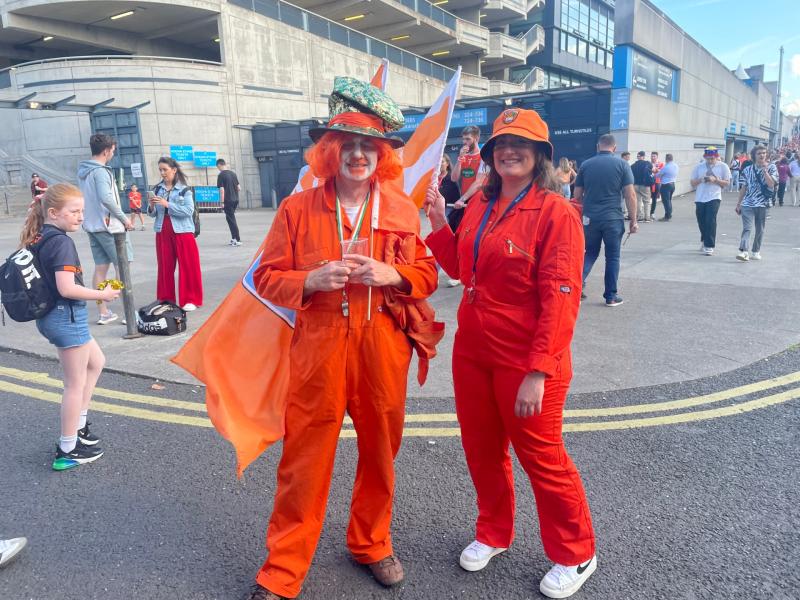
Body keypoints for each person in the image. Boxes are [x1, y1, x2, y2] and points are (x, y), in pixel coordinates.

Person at [246, 77, 438, 600]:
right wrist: (309, 280)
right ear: (330, 152)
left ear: (382, 156)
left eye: (368, 147)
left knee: (380, 454)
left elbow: (426, 273)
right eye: (347, 145)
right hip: (320, 348)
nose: (358, 155)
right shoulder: (297, 209)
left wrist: (394, 275)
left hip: (383, 346)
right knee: (304, 462)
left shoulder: (400, 209)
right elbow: (265, 277)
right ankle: (283, 570)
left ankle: (371, 543)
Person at [423, 107, 597, 600]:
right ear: (491, 154)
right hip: (474, 351)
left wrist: (539, 371)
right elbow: (463, 270)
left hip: (527, 359)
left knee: (542, 457)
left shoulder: (556, 212)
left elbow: (561, 296)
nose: (509, 151)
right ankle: (494, 531)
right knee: (481, 450)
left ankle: (576, 551)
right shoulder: (482, 202)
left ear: (541, 154)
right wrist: (438, 222)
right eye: (501, 144)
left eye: (520, 144)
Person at [19, 183, 120, 470]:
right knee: (74, 385)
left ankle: (79, 427)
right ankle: (68, 448)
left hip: (53, 317)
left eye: (82, 211)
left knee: (96, 362)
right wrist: (103, 294)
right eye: (74, 211)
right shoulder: (61, 242)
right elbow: (66, 288)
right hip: (65, 317)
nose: (80, 216)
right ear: (53, 212)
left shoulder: (40, 235)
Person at [77, 133, 133, 325]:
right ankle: (128, 314)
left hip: (92, 225)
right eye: (113, 151)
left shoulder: (84, 171)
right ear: (107, 151)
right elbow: (106, 198)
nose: (113, 154)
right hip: (110, 226)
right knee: (122, 266)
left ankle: (104, 312)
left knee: (101, 268)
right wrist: (124, 219)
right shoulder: (101, 171)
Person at [574, 135, 637, 306]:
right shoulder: (622, 165)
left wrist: (581, 215)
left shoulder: (586, 165)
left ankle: (575, 288)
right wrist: (633, 220)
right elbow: (630, 194)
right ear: (614, 148)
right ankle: (611, 296)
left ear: (598, 146)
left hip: (590, 218)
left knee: (589, 253)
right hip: (613, 218)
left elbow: (577, 196)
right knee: (613, 257)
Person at [149, 157, 203, 312]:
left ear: (174, 170)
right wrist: (151, 206)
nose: (162, 173)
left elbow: (188, 211)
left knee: (188, 265)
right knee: (165, 266)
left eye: (165, 169)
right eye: (160, 170)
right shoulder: (158, 189)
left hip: (183, 231)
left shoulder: (184, 190)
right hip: (162, 230)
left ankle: (191, 299)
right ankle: (166, 299)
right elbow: (152, 214)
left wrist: (167, 204)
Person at [448, 125, 489, 287]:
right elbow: (454, 178)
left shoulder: (483, 157)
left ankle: (477, 271)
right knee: (462, 238)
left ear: (476, 139)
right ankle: (462, 272)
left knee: (477, 239)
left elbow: (479, 182)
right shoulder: (463, 157)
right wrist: (459, 160)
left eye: (468, 139)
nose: (464, 142)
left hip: (477, 203)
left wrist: (463, 199)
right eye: (463, 139)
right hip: (464, 204)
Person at [735, 145, 776, 261]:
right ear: (754, 155)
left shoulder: (772, 167)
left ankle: (755, 251)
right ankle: (744, 251)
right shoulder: (747, 170)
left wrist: (765, 171)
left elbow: (771, 184)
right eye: (759, 153)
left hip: (763, 203)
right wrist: (739, 203)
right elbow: (743, 187)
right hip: (748, 203)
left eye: (764, 153)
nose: (762, 155)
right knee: (747, 228)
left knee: (760, 229)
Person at [690, 147, 730, 256]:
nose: (710, 160)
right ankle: (704, 239)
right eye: (708, 158)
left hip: (714, 196)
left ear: (717, 157)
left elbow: (727, 183)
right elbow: (692, 183)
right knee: (701, 220)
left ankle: (709, 245)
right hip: (700, 197)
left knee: (710, 220)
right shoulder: (699, 167)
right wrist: (701, 179)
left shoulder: (723, 166)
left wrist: (715, 180)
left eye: (712, 158)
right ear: (704, 157)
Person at [216, 158, 242, 246]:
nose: (218, 169)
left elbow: (222, 190)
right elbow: (239, 188)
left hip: (227, 200)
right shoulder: (233, 174)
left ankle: (237, 239)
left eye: (218, 167)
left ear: (219, 165)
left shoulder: (221, 175)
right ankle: (233, 238)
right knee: (229, 218)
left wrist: (222, 202)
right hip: (235, 200)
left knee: (231, 219)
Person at [439, 154, 462, 231]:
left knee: (444, 225)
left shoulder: (452, 177)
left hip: (450, 207)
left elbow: (455, 194)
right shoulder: (435, 177)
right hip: (439, 207)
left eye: (442, 162)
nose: (440, 164)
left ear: (447, 164)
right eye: (439, 162)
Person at [631, 151, 654, 221]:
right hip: (645, 185)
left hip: (635, 185)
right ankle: (647, 217)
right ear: (643, 156)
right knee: (646, 201)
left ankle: (639, 216)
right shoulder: (647, 163)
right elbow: (652, 169)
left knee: (638, 201)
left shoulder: (633, 166)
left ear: (638, 157)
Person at [656, 154, 679, 221]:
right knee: (669, 200)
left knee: (666, 201)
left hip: (665, 185)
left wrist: (656, 172)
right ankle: (669, 214)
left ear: (666, 159)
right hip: (672, 184)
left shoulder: (666, 167)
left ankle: (667, 216)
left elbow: (658, 175)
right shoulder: (676, 165)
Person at [649, 151, 664, 220]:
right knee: (647, 198)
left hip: (657, 183)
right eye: (652, 156)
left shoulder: (660, 164)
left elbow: (660, 172)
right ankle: (646, 213)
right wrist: (654, 170)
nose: (653, 157)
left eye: (654, 156)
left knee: (654, 198)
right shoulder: (648, 163)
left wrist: (654, 170)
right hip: (649, 183)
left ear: (657, 157)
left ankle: (652, 213)